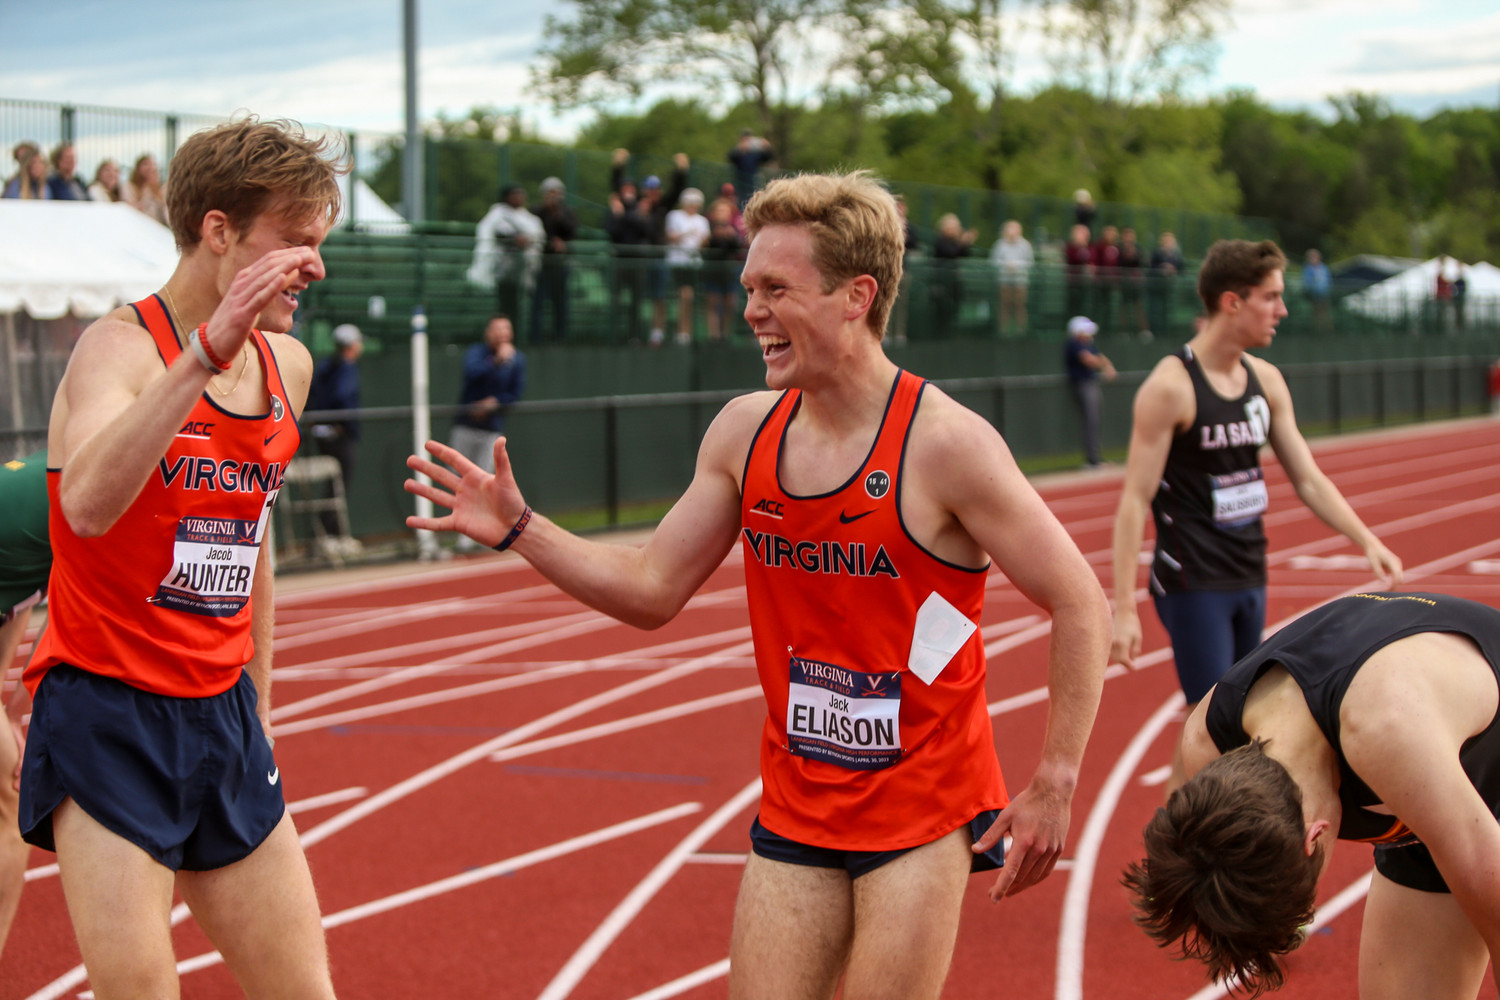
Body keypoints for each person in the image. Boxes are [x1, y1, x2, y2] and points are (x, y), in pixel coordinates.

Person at [406, 171, 1110, 999]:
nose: (751, 311)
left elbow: (1080, 601)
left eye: (776, 289)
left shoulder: (947, 445)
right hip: (798, 805)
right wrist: (524, 528)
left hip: (923, 808)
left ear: (857, 297)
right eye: (748, 288)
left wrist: (1056, 780)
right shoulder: (746, 434)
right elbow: (651, 587)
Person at [20, 117, 340, 998]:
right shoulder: (118, 349)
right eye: (295, 242)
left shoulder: (289, 367)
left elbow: (251, 541)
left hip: (222, 715)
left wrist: (260, 700)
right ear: (218, 230)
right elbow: (85, 507)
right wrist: (204, 353)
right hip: (109, 711)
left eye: (320, 244)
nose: (314, 267)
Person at [1110, 238, 1403, 792]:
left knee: (1238, 722)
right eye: (1270, 297)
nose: (1282, 310)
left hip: (1249, 572)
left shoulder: (1266, 381)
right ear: (1233, 302)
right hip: (1193, 579)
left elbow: (1307, 478)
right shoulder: (1171, 387)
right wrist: (1123, 608)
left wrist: (1366, 538)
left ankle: (1179, 832)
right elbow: (1133, 500)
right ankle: (1175, 840)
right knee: (1211, 724)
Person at [1124, 591, 1500, 1000]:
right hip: (1425, 765)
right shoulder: (1208, 744)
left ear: (1313, 837)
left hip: (1430, 725)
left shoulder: (1387, 730)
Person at [0, 450, 51, 964]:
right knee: (9, 798)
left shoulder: (52, 474)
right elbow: (75, 617)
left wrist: (13, 711)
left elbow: (18, 600)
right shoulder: (106, 493)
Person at [448, 315, 526, 554]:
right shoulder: (476, 353)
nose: (502, 334)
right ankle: (463, 533)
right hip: (465, 426)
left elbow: (514, 394)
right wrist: (497, 361)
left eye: (506, 329)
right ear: (488, 332)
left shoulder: (517, 359)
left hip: (492, 430)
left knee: (485, 482)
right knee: (459, 481)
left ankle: (482, 533)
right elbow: (472, 374)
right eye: (497, 329)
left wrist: (494, 403)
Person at [305, 323, 364, 555]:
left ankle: (330, 533)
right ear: (351, 345)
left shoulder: (326, 366)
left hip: (324, 433)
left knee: (335, 484)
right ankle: (328, 534)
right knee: (338, 484)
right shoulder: (344, 368)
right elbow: (342, 395)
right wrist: (342, 425)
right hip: (338, 436)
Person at [469, 184, 544, 322]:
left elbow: (538, 236)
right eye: (515, 194)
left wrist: (527, 240)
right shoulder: (498, 214)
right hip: (503, 270)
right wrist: (514, 239)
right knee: (505, 306)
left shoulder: (529, 217)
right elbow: (498, 233)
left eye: (521, 194)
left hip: (524, 270)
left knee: (520, 307)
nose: (520, 197)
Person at [1064, 317, 1116, 468]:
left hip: (1090, 384)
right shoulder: (1074, 344)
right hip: (1082, 385)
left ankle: (1095, 458)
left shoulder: (1087, 345)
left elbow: (1101, 358)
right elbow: (1089, 360)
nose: (1089, 335)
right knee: (1090, 422)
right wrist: (1103, 365)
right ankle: (1092, 460)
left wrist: (1107, 365)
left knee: (1094, 421)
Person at [530, 177, 577, 343]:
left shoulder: (567, 212)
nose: (554, 197)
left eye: (557, 193)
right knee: (538, 304)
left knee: (561, 304)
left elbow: (571, 231)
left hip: (560, 265)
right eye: (551, 193)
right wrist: (552, 241)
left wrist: (558, 214)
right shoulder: (537, 211)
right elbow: (535, 231)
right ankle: (536, 339)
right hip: (541, 265)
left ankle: (559, 338)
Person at [665, 187, 710, 344]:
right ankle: (681, 332)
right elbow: (670, 236)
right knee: (684, 296)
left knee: (688, 298)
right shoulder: (674, 216)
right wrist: (686, 234)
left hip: (694, 264)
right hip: (678, 262)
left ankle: (685, 332)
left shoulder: (702, 221)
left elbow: (704, 243)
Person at [703, 198, 746, 341]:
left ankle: (726, 335)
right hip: (713, 271)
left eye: (725, 211)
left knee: (730, 304)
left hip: (730, 271)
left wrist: (732, 236)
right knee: (713, 304)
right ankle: (714, 336)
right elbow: (704, 247)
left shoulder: (734, 229)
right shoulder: (708, 228)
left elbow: (739, 248)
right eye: (720, 210)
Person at [931, 212, 977, 338]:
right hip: (942, 280)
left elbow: (964, 254)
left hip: (954, 280)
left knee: (955, 306)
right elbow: (950, 253)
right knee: (942, 308)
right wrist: (962, 243)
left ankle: (950, 332)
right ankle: (939, 334)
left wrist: (966, 243)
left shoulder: (955, 242)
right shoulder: (940, 241)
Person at [990, 219, 1034, 336]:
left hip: (1020, 282)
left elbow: (1030, 262)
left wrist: (1017, 266)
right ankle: (1003, 331)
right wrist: (1006, 265)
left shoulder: (1025, 245)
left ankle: (1021, 331)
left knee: (1020, 306)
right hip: (1004, 281)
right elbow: (994, 261)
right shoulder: (999, 244)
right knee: (1004, 306)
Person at [1147, 231, 1185, 339]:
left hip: (1169, 287)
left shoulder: (1176, 255)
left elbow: (1181, 268)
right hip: (1156, 286)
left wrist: (1173, 270)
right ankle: (1154, 331)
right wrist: (1161, 269)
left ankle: (1166, 332)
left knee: (1166, 310)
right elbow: (1151, 268)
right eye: (1166, 240)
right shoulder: (1156, 253)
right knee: (1154, 309)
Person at [727, 128, 776, 207]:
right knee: (740, 199)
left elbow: (768, 157)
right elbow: (731, 157)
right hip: (739, 180)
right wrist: (740, 149)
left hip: (752, 179)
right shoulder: (738, 152)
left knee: (752, 197)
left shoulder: (755, 154)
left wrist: (767, 147)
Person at [123, 153, 167, 224]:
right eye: (145, 164)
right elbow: (130, 209)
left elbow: (163, 209)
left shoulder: (161, 188)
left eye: (152, 164)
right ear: (138, 168)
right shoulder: (129, 186)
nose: (149, 167)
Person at [1064, 223, 1093, 322]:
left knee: (1085, 305)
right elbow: (1074, 259)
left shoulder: (1090, 248)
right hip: (1073, 282)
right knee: (1073, 305)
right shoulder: (1070, 248)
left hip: (1086, 282)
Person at [1302, 248, 1331, 333]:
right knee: (1316, 313)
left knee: (1325, 312)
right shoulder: (1308, 268)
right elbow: (1307, 282)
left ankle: (1328, 330)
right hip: (1313, 295)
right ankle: (1317, 330)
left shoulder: (1324, 268)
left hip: (1323, 294)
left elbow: (1328, 280)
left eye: (1314, 256)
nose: (1312, 259)